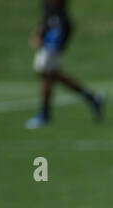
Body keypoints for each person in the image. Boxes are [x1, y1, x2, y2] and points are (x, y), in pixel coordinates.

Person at [25, 0, 105, 129]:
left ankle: (44, 115)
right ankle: (92, 97)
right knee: (50, 74)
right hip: (52, 27)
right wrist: (41, 30)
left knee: (46, 73)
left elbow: (55, 8)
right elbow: (47, 13)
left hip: (57, 30)